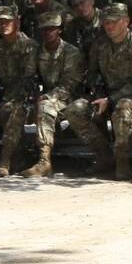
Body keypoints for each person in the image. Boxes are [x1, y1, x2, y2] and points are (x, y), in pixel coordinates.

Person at [66, 3, 132, 182]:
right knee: (75, 109)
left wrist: (111, 99)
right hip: (107, 96)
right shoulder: (100, 45)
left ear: (126, 22)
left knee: (124, 107)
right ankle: (105, 157)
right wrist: (95, 91)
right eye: (106, 22)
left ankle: (129, 165)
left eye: (114, 22)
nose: (109, 26)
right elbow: (92, 73)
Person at [21, 10, 85, 178]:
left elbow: (69, 84)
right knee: (18, 108)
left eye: (52, 29)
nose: (48, 33)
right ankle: (12, 156)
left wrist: (47, 96)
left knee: (44, 106)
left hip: (70, 97)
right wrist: (31, 93)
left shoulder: (71, 52)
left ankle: (44, 161)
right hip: (48, 95)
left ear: (59, 30)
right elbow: (29, 76)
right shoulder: (37, 51)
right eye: (44, 29)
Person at [0, 5, 37, 177]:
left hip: (27, 96)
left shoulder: (29, 46)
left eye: (8, 22)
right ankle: (18, 156)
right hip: (5, 96)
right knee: (6, 109)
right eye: (0, 22)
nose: (3, 25)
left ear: (17, 23)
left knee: (13, 110)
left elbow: (29, 77)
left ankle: (6, 158)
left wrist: (12, 98)